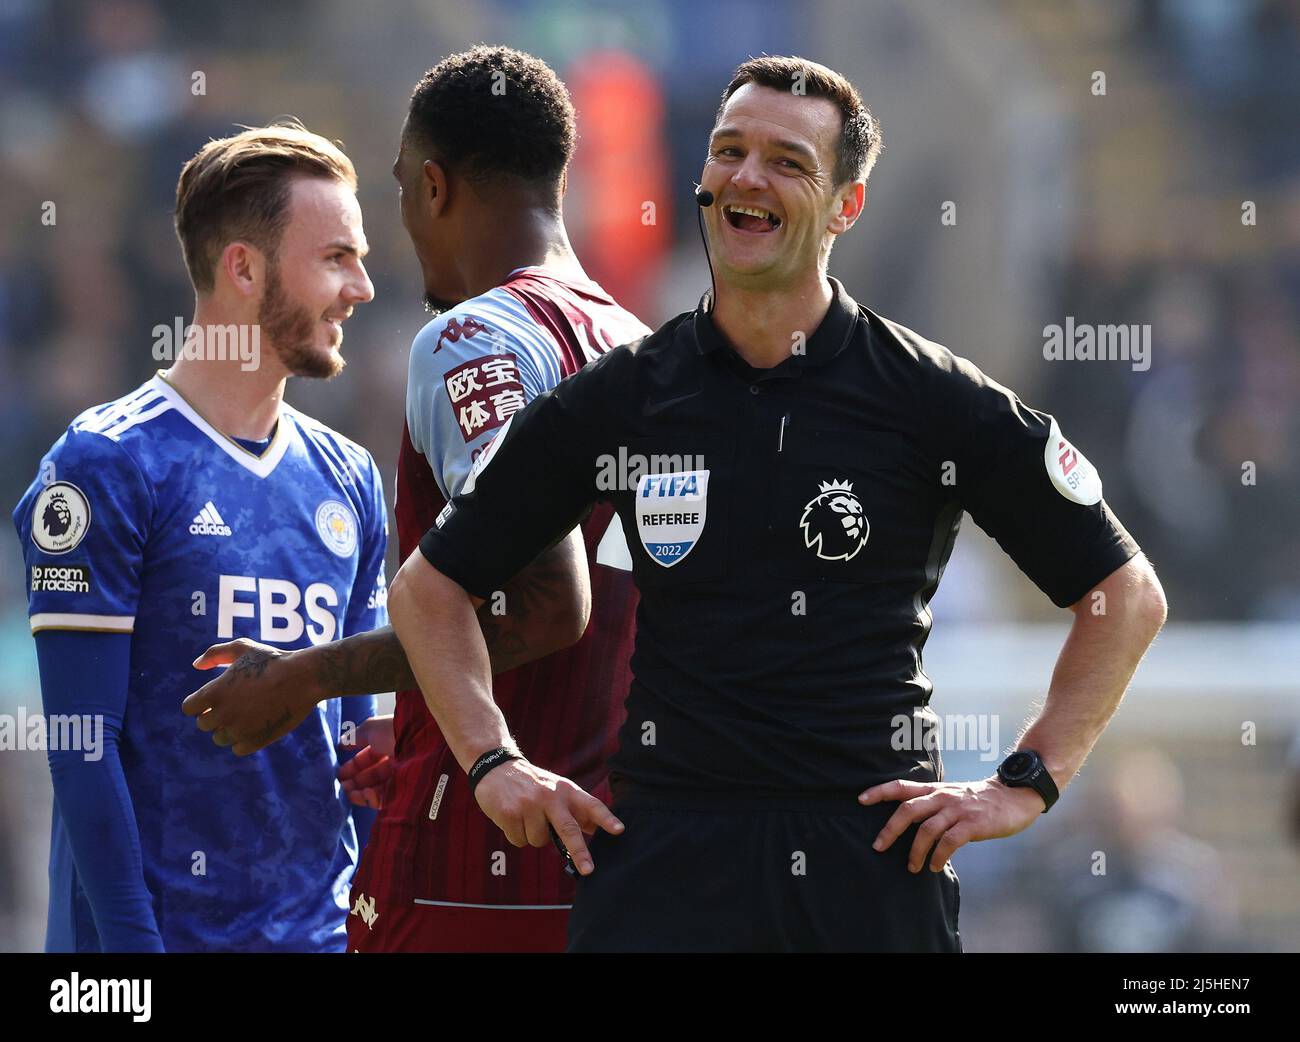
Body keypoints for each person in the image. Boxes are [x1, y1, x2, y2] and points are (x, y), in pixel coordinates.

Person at [386, 56, 1170, 953]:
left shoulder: (930, 398)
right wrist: (491, 761)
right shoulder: (625, 396)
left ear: (847, 205)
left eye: (789, 161)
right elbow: (429, 589)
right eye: (729, 152)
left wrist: (1027, 779)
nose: (747, 177)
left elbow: (1124, 596)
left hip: (868, 863)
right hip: (665, 867)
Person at [182, 47, 649, 952]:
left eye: (398, 191)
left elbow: (545, 604)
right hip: (606, 863)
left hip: (470, 866)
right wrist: (423, 712)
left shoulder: (471, 339)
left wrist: (302, 678)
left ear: (433, 186)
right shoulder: (640, 342)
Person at [12, 122, 387, 952]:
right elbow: (81, 750)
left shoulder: (350, 478)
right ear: (243, 268)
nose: (361, 286)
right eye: (335, 258)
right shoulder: (106, 463)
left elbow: (360, 741)